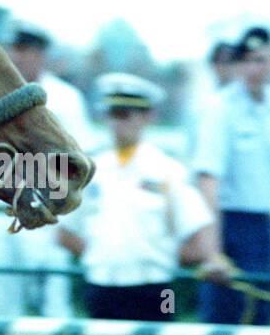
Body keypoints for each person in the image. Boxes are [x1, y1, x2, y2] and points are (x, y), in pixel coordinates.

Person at [57, 73, 231, 321]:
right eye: (113, 114)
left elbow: (199, 231)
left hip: (158, 288)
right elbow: (65, 233)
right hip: (103, 285)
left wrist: (165, 257)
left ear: (148, 117)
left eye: (126, 115)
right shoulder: (92, 171)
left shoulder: (168, 171)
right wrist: (102, 255)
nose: (118, 123)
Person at [0, 23, 97, 318]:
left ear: (40, 55)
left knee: (51, 301)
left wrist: (70, 218)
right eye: (14, 50)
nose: (17, 57)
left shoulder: (65, 99)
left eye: (25, 51)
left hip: (47, 212)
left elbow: (81, 160)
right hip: (0, 210)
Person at [193, 26, 270, 324]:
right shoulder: (220, 108)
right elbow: (208, 179)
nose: (253, 69)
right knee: (223, 318)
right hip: (227, 222)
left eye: (260, 60)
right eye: (246, 61)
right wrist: (212, 250)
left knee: (261, 315)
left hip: (261, 223)